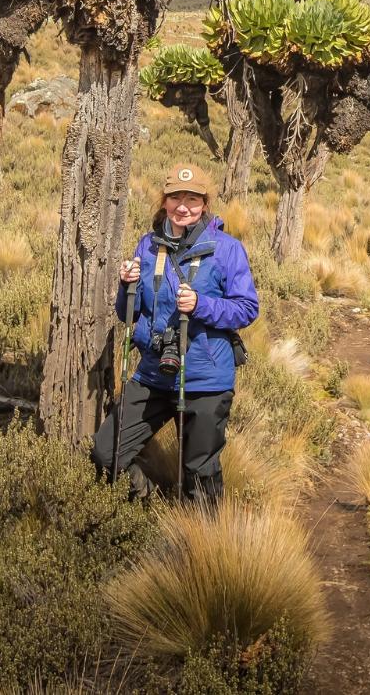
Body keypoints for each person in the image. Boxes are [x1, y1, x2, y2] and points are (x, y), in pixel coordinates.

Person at [91, 161, 258, 504]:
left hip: (206, 378)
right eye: (175, 197)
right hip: (154, 373)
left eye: (192, 199)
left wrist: (201, 305)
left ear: (205, 203)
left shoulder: (227, 249)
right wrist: (127, 286)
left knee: (199, 472)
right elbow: (127, 315)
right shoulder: (148, 246)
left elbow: (247, 308)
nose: (183, 206)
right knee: (105, 454)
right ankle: (148, 500)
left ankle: (201, 544)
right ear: (164, 201)